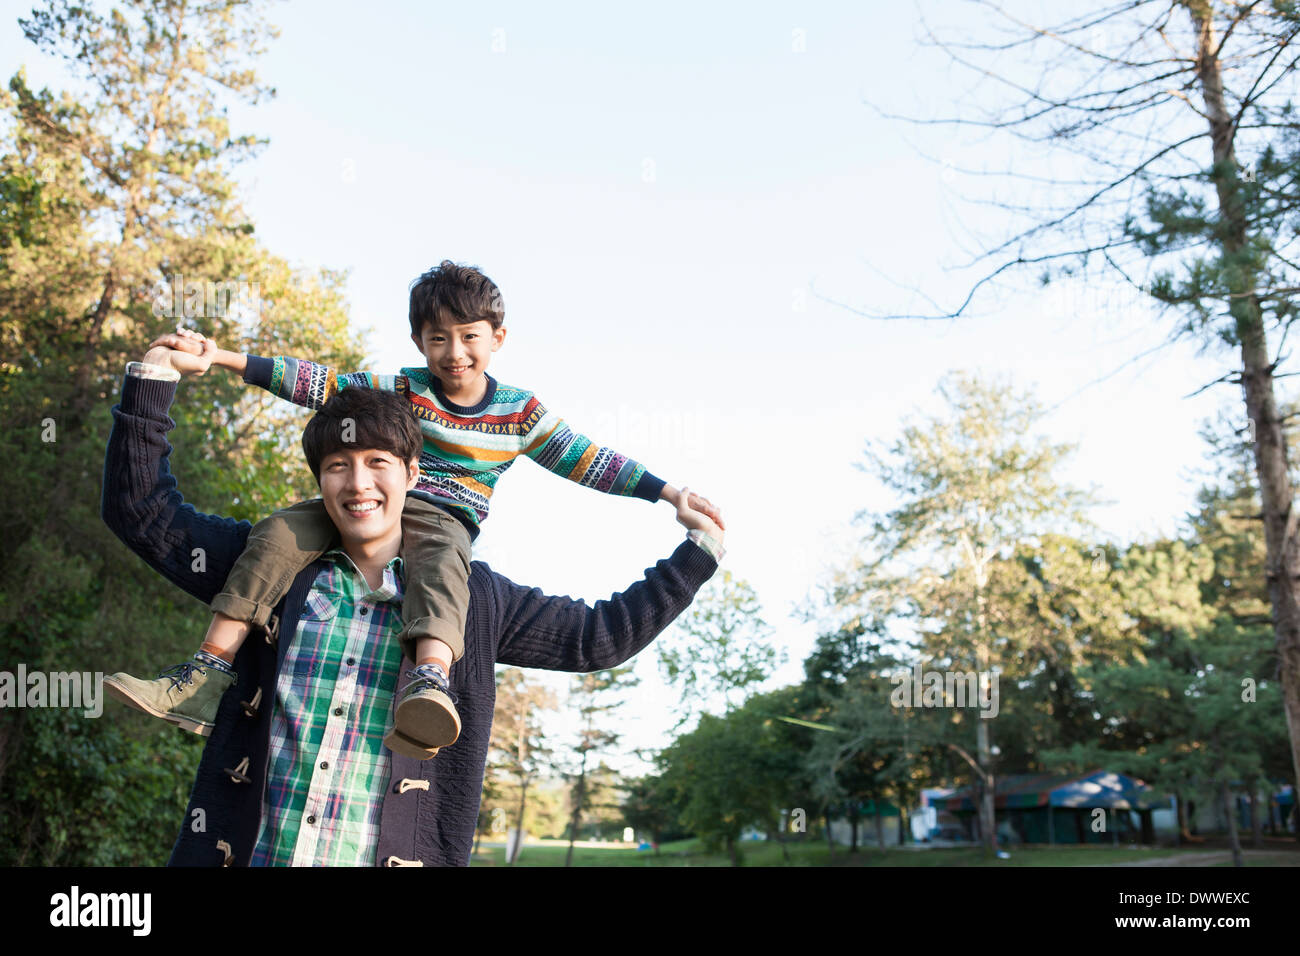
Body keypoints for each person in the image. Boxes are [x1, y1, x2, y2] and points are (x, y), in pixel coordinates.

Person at [101, 342, 724, 866]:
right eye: (338, 466)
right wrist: (153, 382)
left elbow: (597, 637)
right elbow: (143, 513)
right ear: (319, 479)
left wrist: (695, 553)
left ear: (412, 472)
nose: (359, 483)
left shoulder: (477, 603)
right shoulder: (272, 565)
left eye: (378, 463)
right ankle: (200, 676)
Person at [105, 260, 721, 759]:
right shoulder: (404, 388)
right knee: (277, 534)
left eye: (469, 337)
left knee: (441, 565)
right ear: (418, 342)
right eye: (437, 339)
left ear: (497, 338)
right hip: (370, 508)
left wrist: (669, 495)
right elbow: (323, 384)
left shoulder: (521, 414)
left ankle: (430, 679)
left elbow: (589, 460)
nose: (454, 353)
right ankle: (206, 671)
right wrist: (223, 358)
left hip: (443, 518)